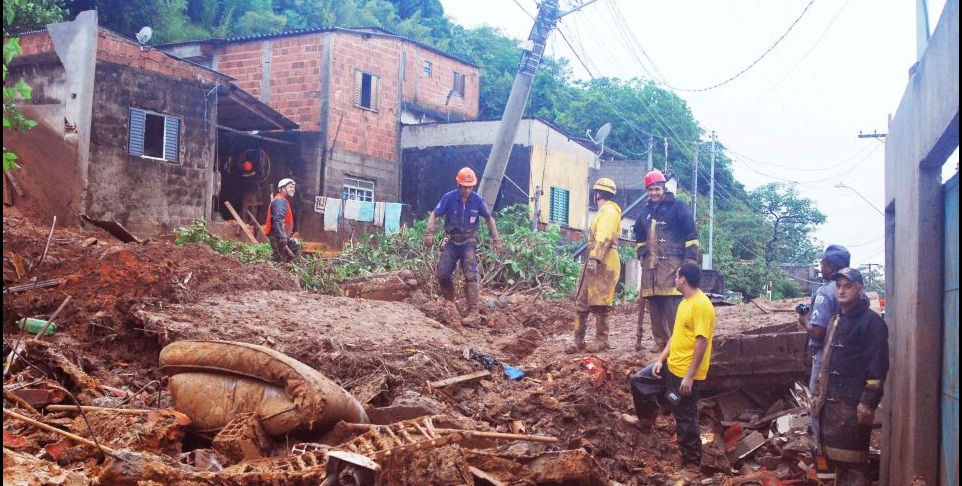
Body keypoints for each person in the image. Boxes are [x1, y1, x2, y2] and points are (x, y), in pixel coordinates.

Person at [626, 262, 715, 468]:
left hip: (686, 373)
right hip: (672, 365)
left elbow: (702, 342)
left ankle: (691, 464)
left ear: (683, 279)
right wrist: (660, 359)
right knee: (639, 380)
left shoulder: (701, 306)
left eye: (676, 276)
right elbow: (676, 336)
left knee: (685, 416)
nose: (674, 279)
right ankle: (646, 421)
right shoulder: (684, 302)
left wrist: (690, 377)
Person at [812, 267, 888, 485]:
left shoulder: (872, 323)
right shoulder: (835, 320)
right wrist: (818, 393)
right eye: (838, 286)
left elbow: (878, 367)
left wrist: (868, 403)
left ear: (860, 289)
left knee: (853, 463)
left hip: (852, 406)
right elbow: (826, 360)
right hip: (831, 405)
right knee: (832, 462)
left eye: (848, 286)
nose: (842, 291)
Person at [633, 169, 701, 352]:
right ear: (647, 191)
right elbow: (638, 234)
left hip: (673, 263)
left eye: (657, 189)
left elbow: (691, 234)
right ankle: (660, 340)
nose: (654, 193)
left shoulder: (678, 207)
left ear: (664, 188)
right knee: (654, 303)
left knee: (672, 303)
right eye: (651, 190)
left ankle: (677, 340)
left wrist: (691, 259)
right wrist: (641, 253)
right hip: (650, 266)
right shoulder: (645, 212)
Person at [423, 167, 502, 324]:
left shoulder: (478, 200)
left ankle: (473, 313)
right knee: (443, 274)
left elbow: (489, 219)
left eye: (470, 187)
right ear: (458, 185)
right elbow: (435, 214)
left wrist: (496, 240)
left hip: (468, 241)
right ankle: (450, 304)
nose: (467, 190)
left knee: (471, 275)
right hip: (452, 241)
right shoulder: (449, 198)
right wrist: (429, 233)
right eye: (464, 187)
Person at [797, 243, 850, 449]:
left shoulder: (825, 292)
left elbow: (818, 332)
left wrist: (805, 322)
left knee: (819, 405)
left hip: (826, 358)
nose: (821, 266)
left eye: (824, 262)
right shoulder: (857, 292)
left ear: (832, 265)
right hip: (849, 360)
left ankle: (823, 454)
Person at [569, 178, 622, 352]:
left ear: (597, 193)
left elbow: (604, 237)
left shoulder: (609, 212)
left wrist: (595, 258)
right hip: (595, 259)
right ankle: (579, 341)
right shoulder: (605, 212)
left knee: (600, 302)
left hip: (603, 261)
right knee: (582, 301)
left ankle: (602, 340)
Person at [264, 178, 300, 262]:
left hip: (281, 236)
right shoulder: (279, 201)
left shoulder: (282, 200)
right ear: (283, 189)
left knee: (289, 253)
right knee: (279, 259)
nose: (293, 190)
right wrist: (283, 236)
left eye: (293, 188)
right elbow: (278, 219)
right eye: (290, 187)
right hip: (278, 236)